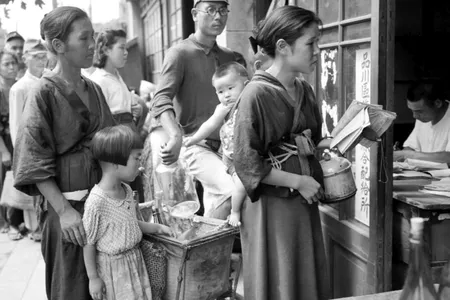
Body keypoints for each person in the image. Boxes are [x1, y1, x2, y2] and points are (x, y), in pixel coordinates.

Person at [12, 6, 116, 300]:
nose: (93, 44)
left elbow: (109, 145)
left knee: (107, 286)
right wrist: (65, 212)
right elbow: (32, 161)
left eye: (93, 37)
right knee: (70, 289)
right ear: (58, 45)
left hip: (101, 206)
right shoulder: (42, 93)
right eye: (84, 39)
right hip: (66, 213)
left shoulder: (94, 89)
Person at [233, 6, 331, 299]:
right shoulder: (256, 94)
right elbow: (246, 162)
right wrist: (298, 182)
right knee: (278, 281)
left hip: (304, 200)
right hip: (271, 207)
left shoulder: (305, 90)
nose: (317, 50)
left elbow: (314, 141)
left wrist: (345, 141)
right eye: (310, 42)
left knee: (303, 278)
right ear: (283, 47)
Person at [149, 0, 236, 219]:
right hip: (196, 144)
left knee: (218, 206)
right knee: (231, 192)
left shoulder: (228, 56)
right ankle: (203, 248)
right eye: (211, 10)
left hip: (227, 147)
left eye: (223, 10)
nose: (218, 16)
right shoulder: (180, 53)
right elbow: (160, 99)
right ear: (194, 14)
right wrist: (175, 134)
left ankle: (205, 250)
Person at [83, 125, 173, 300]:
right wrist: (93, 278)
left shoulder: (126, 189)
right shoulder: (97, 201)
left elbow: (129, 223)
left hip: (135, 261)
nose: (140, 165)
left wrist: (157, 228)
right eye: (136, 158)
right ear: (116, 163)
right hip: (114, 270)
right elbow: (88, 243)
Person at [184, 62, 248, 226]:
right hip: (230, 158)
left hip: (243, 155)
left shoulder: (248, 104)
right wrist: (194, 139)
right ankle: (234, 213)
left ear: (246, 84)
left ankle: (213, 226)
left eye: (230, 88)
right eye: (220, 91)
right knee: (237, 187)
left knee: (217, 197)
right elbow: (209, 125)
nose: (226, 95)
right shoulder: (223, 109)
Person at [8, 39, 49, 241]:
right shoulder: (20, 88)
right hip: (31, 149)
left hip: (49, 146)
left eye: (44, 56)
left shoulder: (48, 81)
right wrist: (23, 155)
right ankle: (35, 230)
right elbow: (16, 127)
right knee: (33, 199)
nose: (42, 60)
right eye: (36, 57)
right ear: (25, 59)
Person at [90, 29, 143, 130]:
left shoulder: (116, 76)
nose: (126, 53)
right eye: (121, 48)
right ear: (106, 50)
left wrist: (135, 110)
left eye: (126, 48)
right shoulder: (98, 81)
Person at [394, 79, 450, 163]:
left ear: (437, 103)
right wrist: (400, 154)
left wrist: (407, 155)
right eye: (412, 111)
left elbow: (448, 158)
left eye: (419, 111)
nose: (415, 116)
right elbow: (411, 147)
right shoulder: (423, 118)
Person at [0, 50, 22, 239]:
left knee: (16, 181)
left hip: (18, 139)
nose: (10, 67)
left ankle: (17, 221)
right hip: (3, 142)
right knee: (3, 182)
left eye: (13, 63)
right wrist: (4, 151)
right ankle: (7, 224)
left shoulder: (18, 86)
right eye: (6, 64)